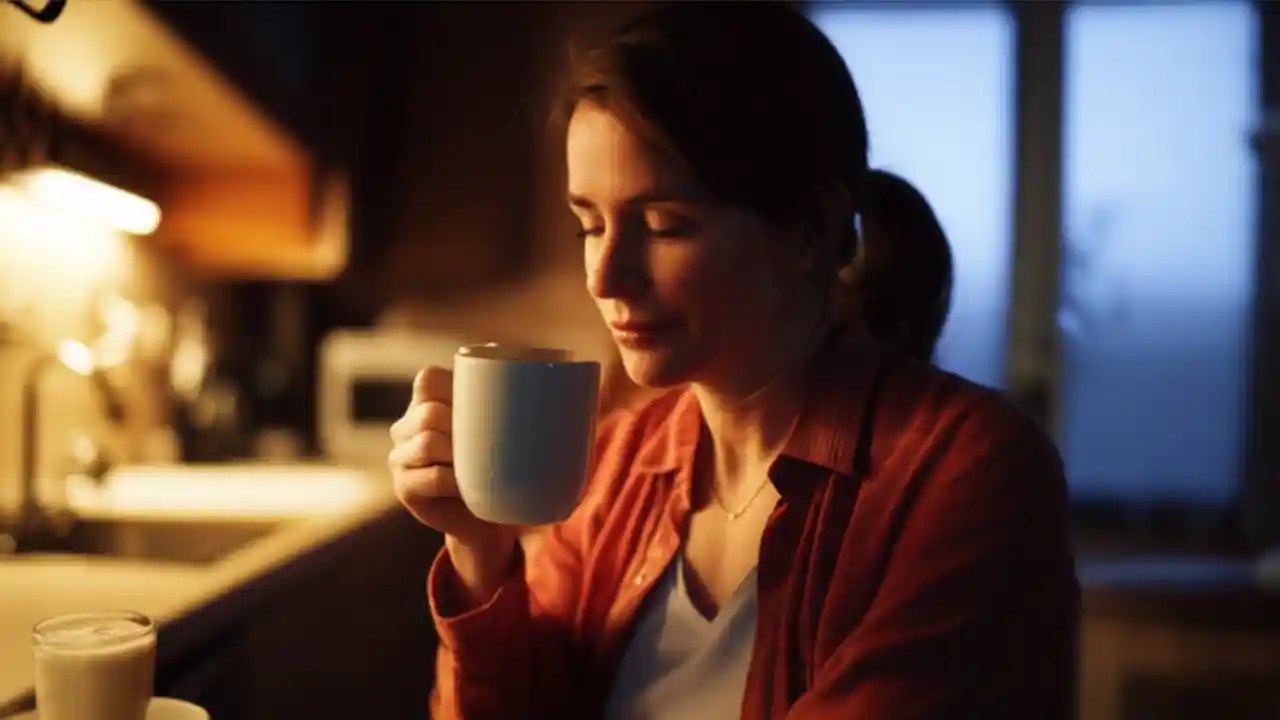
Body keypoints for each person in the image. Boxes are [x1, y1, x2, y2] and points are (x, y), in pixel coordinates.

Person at [388, 4, 1079, 718]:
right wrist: (479, 551)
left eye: (664, 226)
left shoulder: (970, 471)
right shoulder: (617, 465)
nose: (605, 276)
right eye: (589, 226)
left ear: (809, 231)